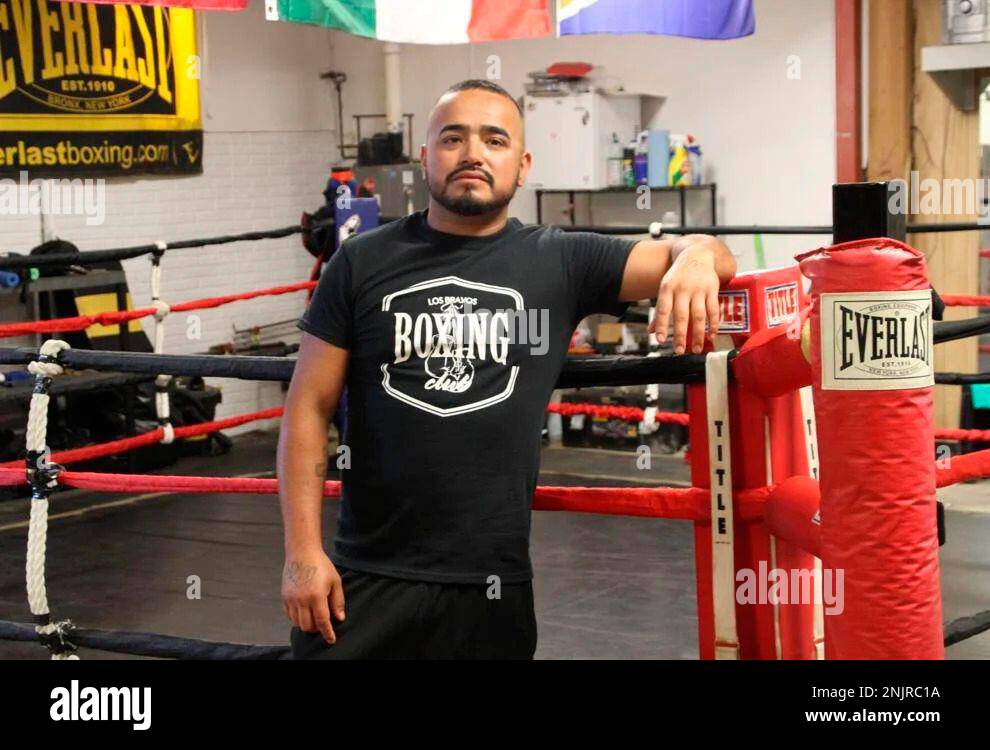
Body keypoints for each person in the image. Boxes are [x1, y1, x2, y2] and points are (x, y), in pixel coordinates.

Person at [278, 79, 736, 659]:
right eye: (453, 138)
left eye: (494, 140)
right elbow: (308, 407)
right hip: (363, 578)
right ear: (425, 158)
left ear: (521, 166)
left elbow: (709, 252)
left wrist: (695, 258)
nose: (472, 153)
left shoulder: (561, 259)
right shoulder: (360, 261)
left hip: (491, 585)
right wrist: (301, 554)